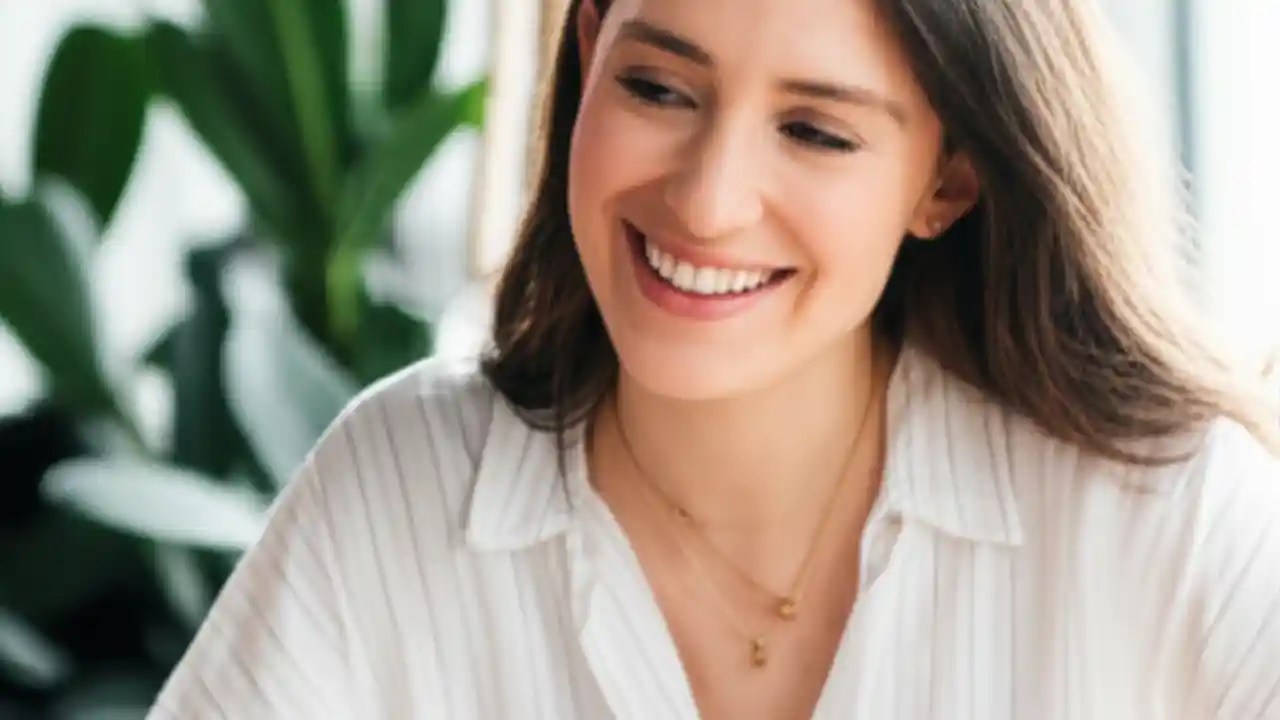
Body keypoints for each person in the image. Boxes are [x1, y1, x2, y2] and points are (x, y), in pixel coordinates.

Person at [147, 0, 1280, 717]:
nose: (705, 199)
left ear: (946, 180)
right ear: (586, 52)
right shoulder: (397, 494)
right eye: (658, 88)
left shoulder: (1163, 513)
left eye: (815, 131)